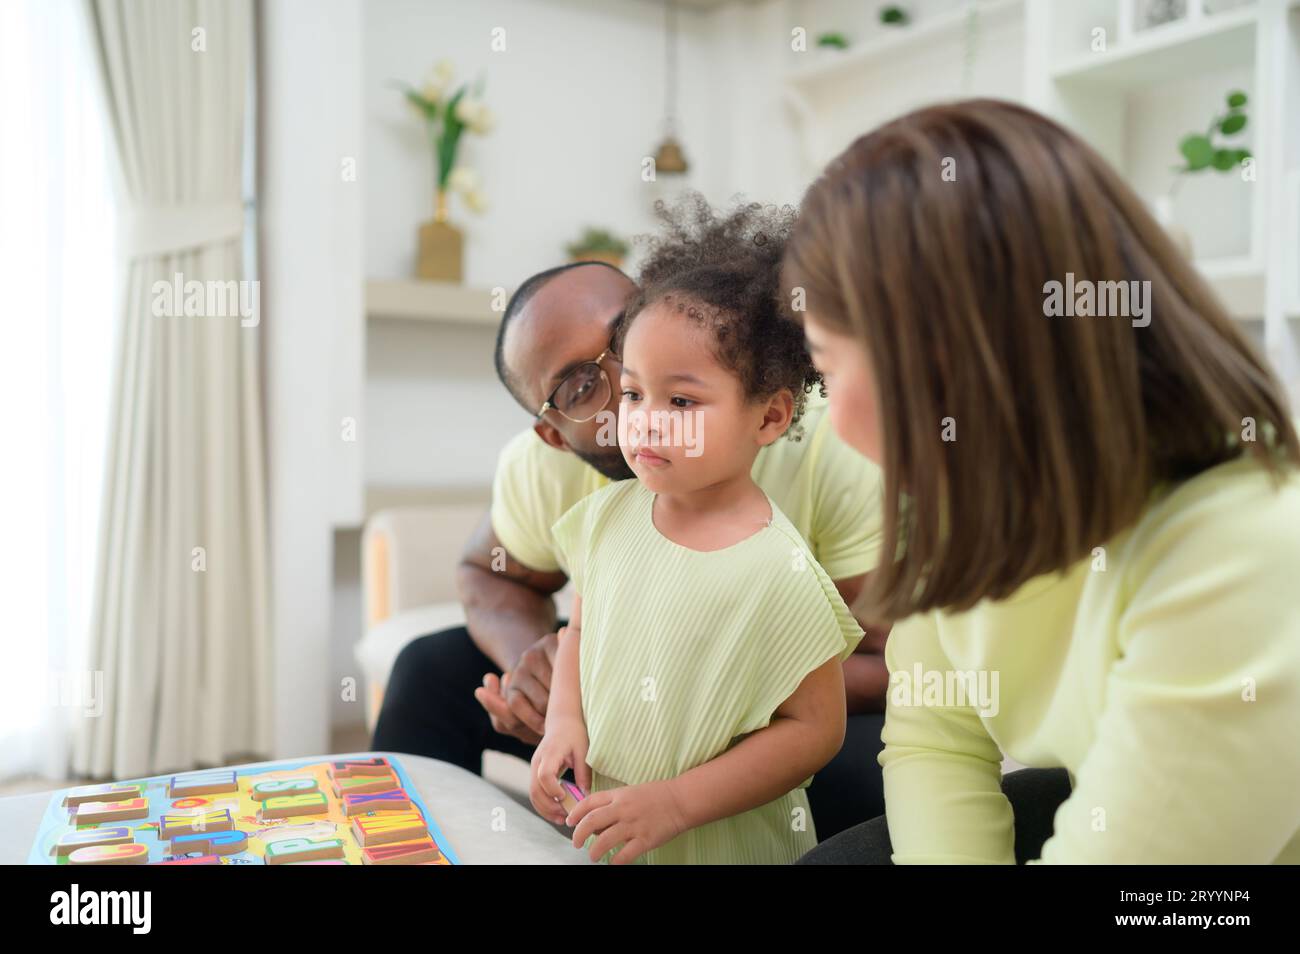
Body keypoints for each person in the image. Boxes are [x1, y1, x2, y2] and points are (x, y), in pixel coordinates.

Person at [786, 99, 1300, 863]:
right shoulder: (968, 499)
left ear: (937, 357)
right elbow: (935, 734)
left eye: (825, 366)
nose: (825, 408)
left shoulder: (1246, 552)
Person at [373, 208, 890, 840]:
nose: (627, 388)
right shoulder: (560, 483)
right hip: (626, 649)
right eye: (582, 386)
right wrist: (543, 682)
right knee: (428, 669)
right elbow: (489, 573)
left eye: (624, 337)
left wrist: (700, 702)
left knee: (870, 787)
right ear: (552, 436)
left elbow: (888, 661)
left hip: (771, 683)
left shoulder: (827, 446)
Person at [531, 197, 863, 863]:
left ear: (770, 419)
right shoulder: (607, 517)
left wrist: (678, 802)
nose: (646, 421)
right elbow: (580, 630)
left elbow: (817, 729)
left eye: (681, 401)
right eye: (632, 393)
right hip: (617, 823)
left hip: (721, 839)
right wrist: (564, 719)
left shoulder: (776, 566)